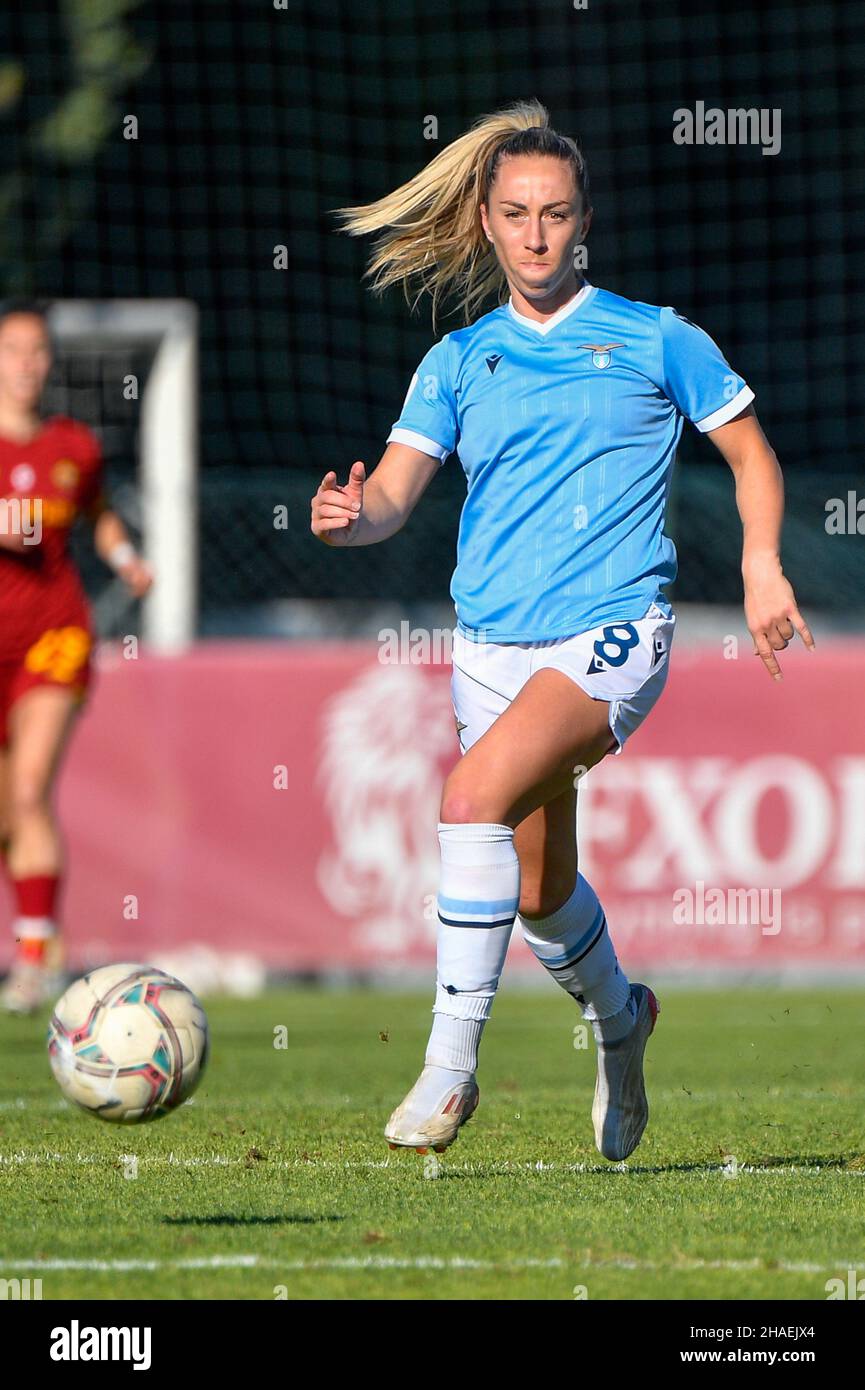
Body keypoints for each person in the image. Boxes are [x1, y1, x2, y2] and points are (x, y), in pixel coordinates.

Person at [311, 100, 814, 1161]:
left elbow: (752, 456)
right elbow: (397, 495)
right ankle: (622, 1024)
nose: (535, 234)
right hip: (490, 644)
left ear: (583, 216)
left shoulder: (653, 335)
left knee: (468, 800)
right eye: (514, 214)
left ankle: (449, 1074)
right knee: (539, 892)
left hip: (613, 630)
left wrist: (761, 564)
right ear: (486, 223)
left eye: (554, 213)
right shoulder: (456, 360)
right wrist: (356, 519)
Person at [0, 302, 152, 1013]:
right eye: (13, 350)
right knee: (8, 815)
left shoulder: (72, 446)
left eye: (37, 351)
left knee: (30, 791)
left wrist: (125, 559)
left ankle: (35, 962)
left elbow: (98, 516)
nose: (27, 364)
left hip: (53, 636)